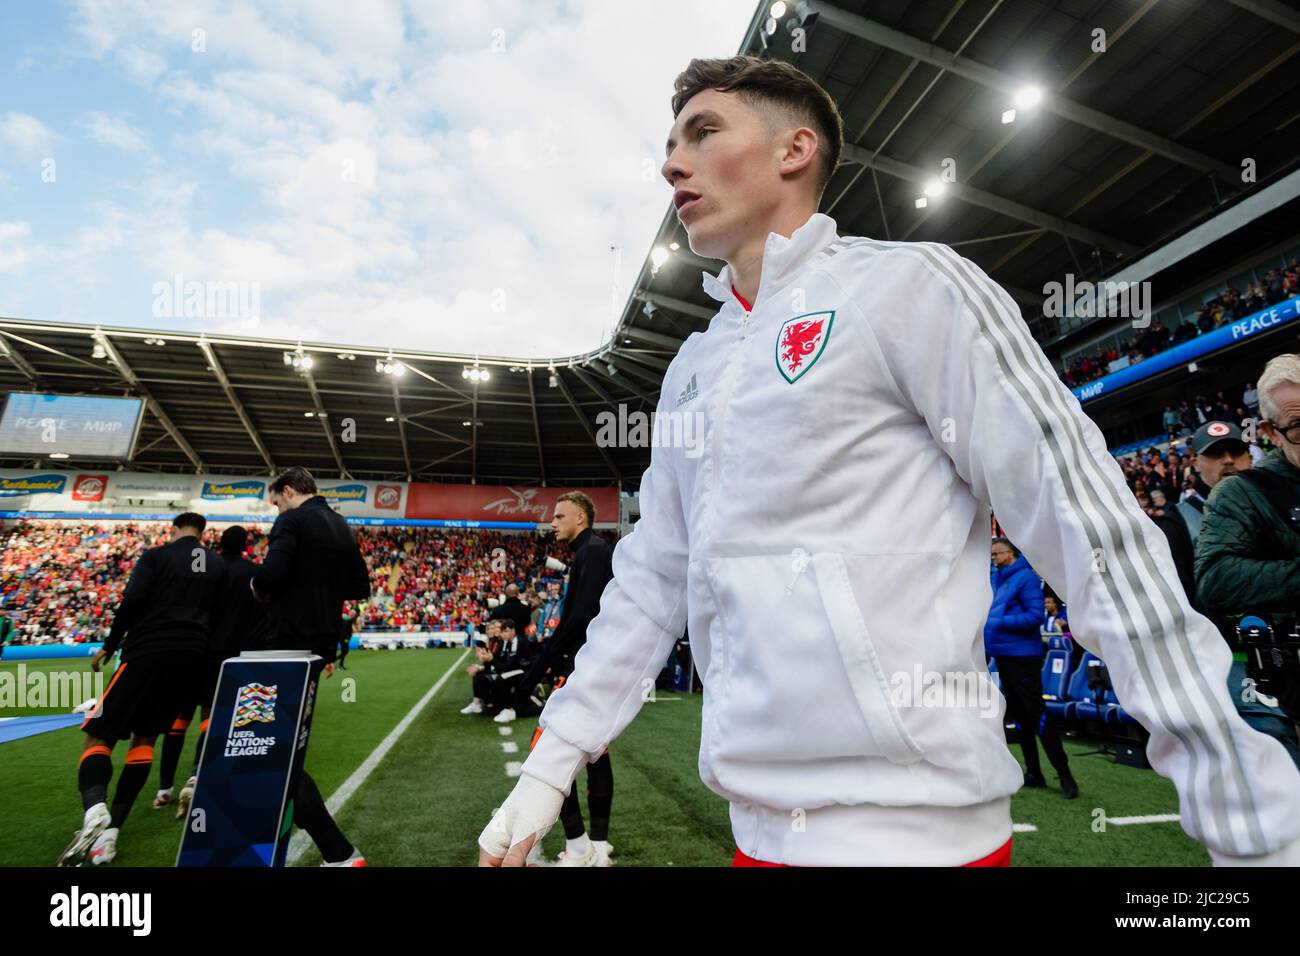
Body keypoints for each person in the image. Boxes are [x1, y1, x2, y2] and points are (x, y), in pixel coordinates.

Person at [478, 55, 1300, 868]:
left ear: (794, 150)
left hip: (920, 835)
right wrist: (553, 763)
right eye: (670, 142)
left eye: (702, 132)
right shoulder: (692, 366)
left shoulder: (909, 288)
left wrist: (1249, 812)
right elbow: (654, 579)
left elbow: (1084, 523)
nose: (670, 163)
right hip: (757, 835)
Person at [57, 513, 226, 866]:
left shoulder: (157, 555)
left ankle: (95, 808)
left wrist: (110, 643)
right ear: (202, 533)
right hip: (190, 658)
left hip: (148, 650)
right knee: (145, 740)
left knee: (98, 736)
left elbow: (132, 602)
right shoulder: (216, 564)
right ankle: (109, 837)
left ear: (175, 529)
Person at [251, 466, 372, 867]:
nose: (273, 507)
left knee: (272, 752)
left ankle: (338, 852)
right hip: (318, 646)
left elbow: (271, 574)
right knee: (280, 749)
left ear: (287, 491)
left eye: (274, 499)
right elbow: (359, 587)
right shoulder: (340, 523)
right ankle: (330, 849)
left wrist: (254, 586)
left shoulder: (292, 519)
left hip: (285, 645)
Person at [495, 493, 616, 867]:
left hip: (584, 668)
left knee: (547, 754)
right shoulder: (588, 553)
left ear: (581, 517)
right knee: (595, 754)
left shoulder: (593, 551)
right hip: (590, 667)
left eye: (560, 515)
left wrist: (533, 673)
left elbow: (579, 618)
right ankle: (597, 846)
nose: (553, 522)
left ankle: (581, 846)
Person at [1195, 354, 1300, 768]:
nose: (1225, 461)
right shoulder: (1243, 493)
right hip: (1263, 671)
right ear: (1272, 432)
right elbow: (1215, 579)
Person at [154, 525, 266, 816]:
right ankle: (195, 776)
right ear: (245, 545)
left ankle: (163, 789)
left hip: (193, 647)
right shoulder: (252, 572)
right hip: (228, 654)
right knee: (210, 717)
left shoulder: (206, 565)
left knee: (179, 719)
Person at [985, 539, 1076, 798]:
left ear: (1010, 553)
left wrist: (999, 620)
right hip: (1004, 654)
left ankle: (1065, 775)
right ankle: (1033, 771)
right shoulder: (998, 578)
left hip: (1023, 656)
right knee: (1020, 717)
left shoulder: (1024, 578)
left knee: (1037, 714)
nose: (993, 557)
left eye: (997, 553)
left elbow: (1034, 616)